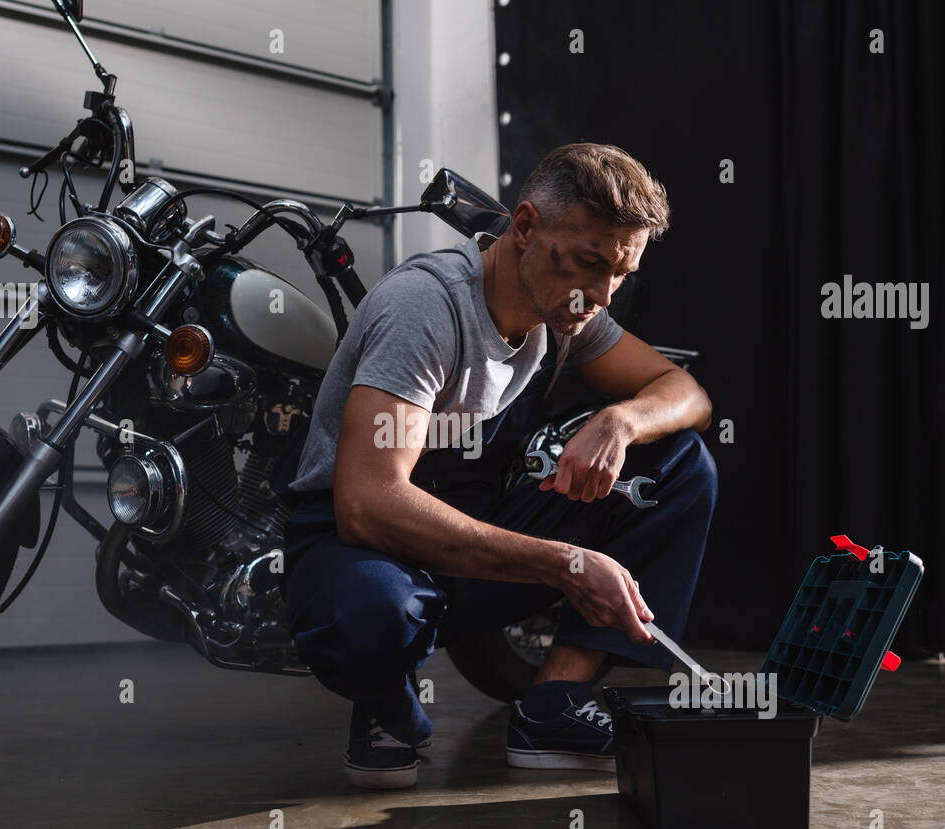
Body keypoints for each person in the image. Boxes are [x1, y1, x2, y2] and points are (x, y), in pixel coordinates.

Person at [281, 142, 717, 788]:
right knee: (372, 613)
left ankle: (554, 703)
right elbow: (368, 504)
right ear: (524, 228)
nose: (599, 295)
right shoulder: (425, 309)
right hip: (360, 542)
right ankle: (383, 696)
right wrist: (565, 563)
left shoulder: (570, 308)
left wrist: (617, 420)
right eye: (590, 261)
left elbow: (686, 394)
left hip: (470, 525)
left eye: (619, 273)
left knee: (678, 464)